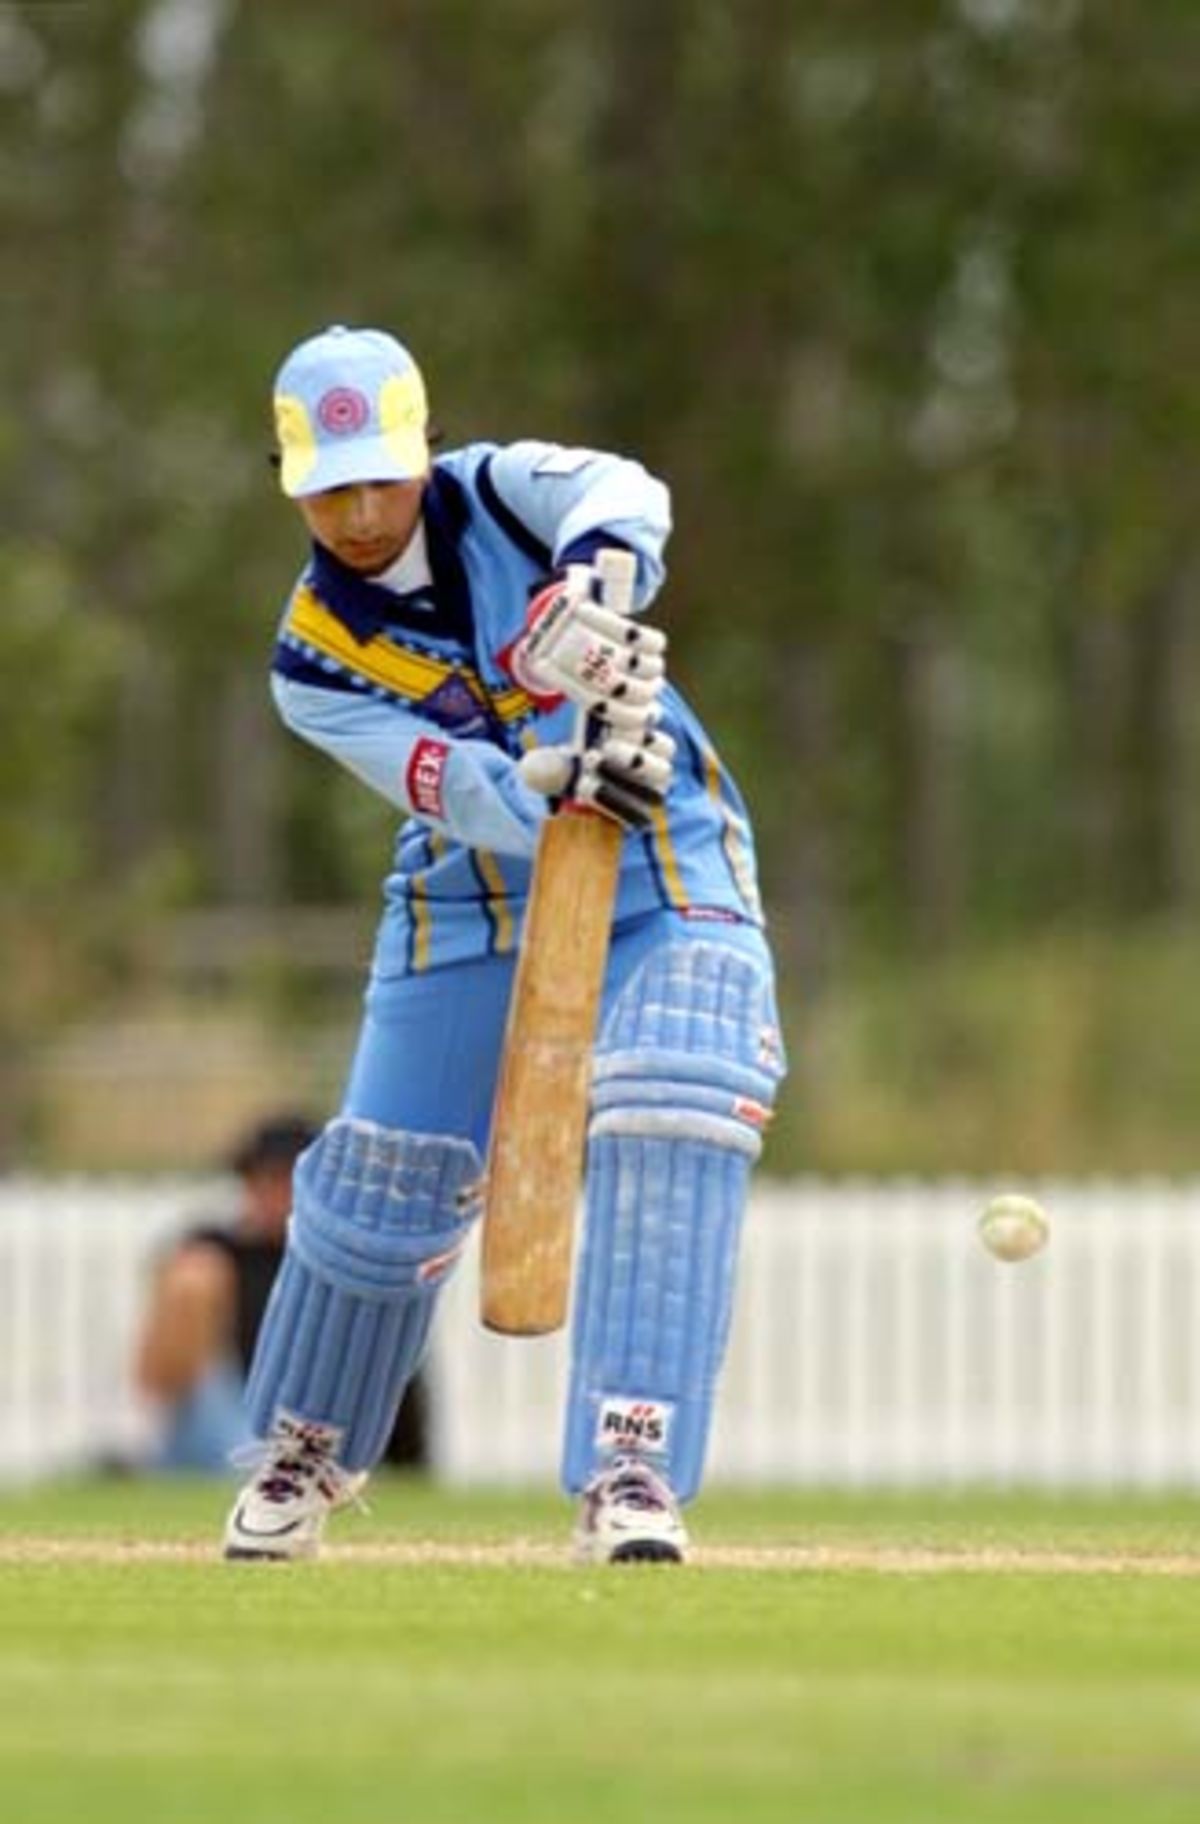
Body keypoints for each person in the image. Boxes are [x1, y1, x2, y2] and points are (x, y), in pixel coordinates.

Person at [222, 323, 787, 1564]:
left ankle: (631, 1469)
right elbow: (448, 785)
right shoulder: (312, 660)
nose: (362, 511)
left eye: (380, 476)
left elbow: (628, 492)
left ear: (422, 453)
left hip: (663, 852)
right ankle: (303, 1450)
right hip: (470, 888)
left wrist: (584, 592)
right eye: (330, 489)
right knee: (380, 1187)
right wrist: (549, 780)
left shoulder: (502, 491)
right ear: (291, 481)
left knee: (678, 1098)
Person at [135, 1112, 430, 1473]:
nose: (279, 1193)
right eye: (269, 1179)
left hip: (316, 1430)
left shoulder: (342, 1261)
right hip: (226, 1424)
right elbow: (154, 1379)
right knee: (194, 1279)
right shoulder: (214, 1249)